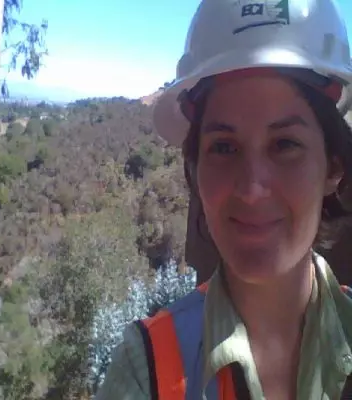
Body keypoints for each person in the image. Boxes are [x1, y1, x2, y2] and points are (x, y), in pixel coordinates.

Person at [96, 0, 352, 398]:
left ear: (333, 167)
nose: (251, 189)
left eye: (285, 144)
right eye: (225, 148)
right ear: (196, 169)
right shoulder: (145, 368)